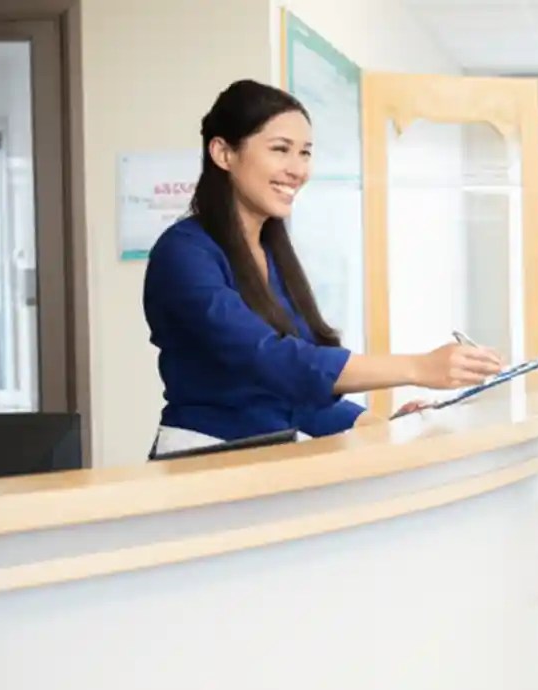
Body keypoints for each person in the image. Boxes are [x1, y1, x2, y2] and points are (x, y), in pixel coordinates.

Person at [143, 80, 501, 456]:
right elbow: (272, 362)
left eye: (305, 153)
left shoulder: (272, 252)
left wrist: (389, 428)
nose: (297, 170)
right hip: (202, 459)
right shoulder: (183, 253)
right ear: (223, 153)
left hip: (269, 457)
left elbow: (300, 398)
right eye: (281, 150)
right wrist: (418, 368)